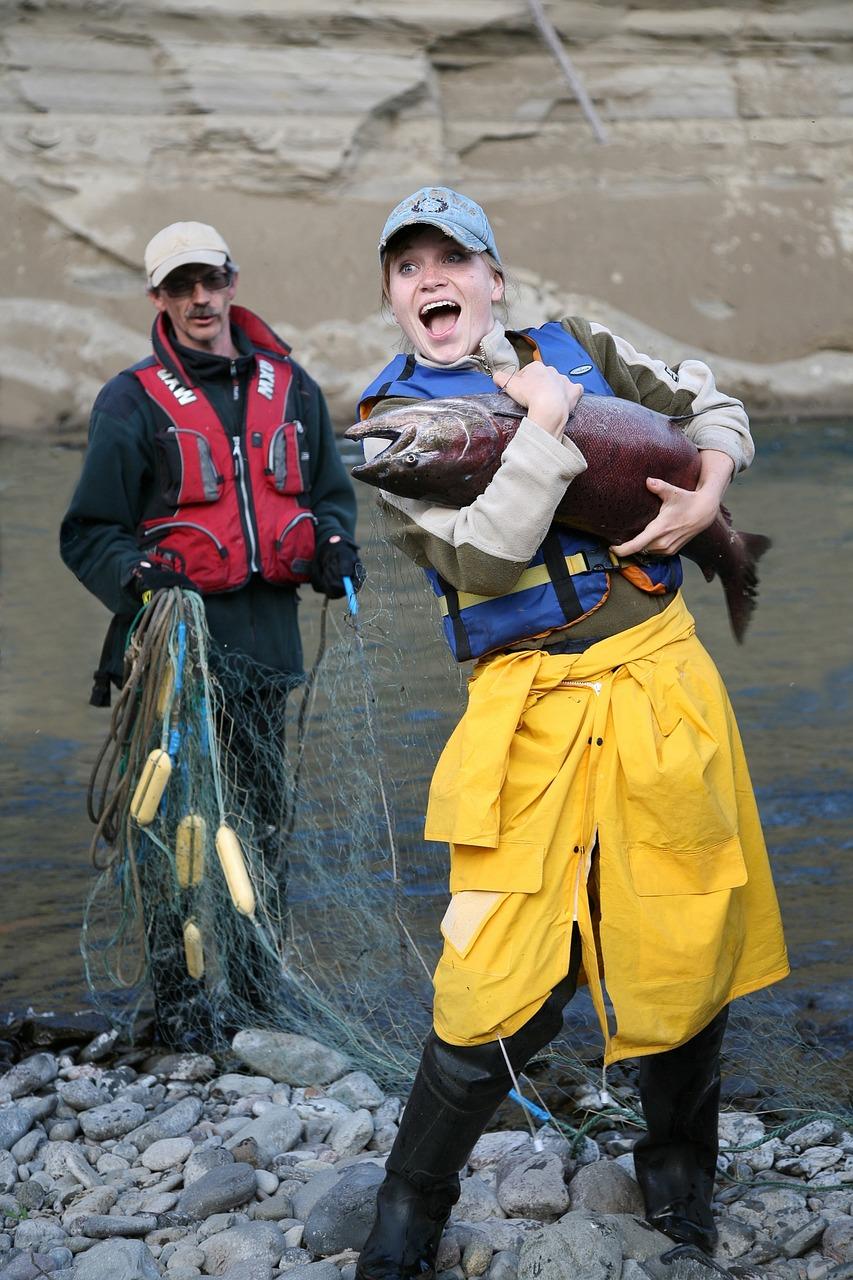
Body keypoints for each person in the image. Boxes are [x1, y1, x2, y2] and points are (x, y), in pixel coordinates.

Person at [352, 187, 789, 1274]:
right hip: (529, 715)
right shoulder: (389, 429)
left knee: (680, 930)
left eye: (451, 257)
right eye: (407, 267)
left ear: (493, 277)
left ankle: (679, 1172)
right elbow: (482, 561)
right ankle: (410, 1201)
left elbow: (713, 407)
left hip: (659, 685)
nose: (429, 278)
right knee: (493, 965)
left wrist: (708, 502)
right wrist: (542, 429)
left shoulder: (581, 343)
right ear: (394, 298)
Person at [60, 220, 362, 1045]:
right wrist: (139, 577)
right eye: (181, 286)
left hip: (268, 653)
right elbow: (89, 533)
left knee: (261, 827)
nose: (200, 299)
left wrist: (336, 542)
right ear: (158, 297)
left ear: (232, 283)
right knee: (174, 834)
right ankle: (181, 1007)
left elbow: (331, 497)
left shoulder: (290, 388)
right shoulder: (131, 401)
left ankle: (260, 999)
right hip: (173, 660)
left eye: (212, 281)